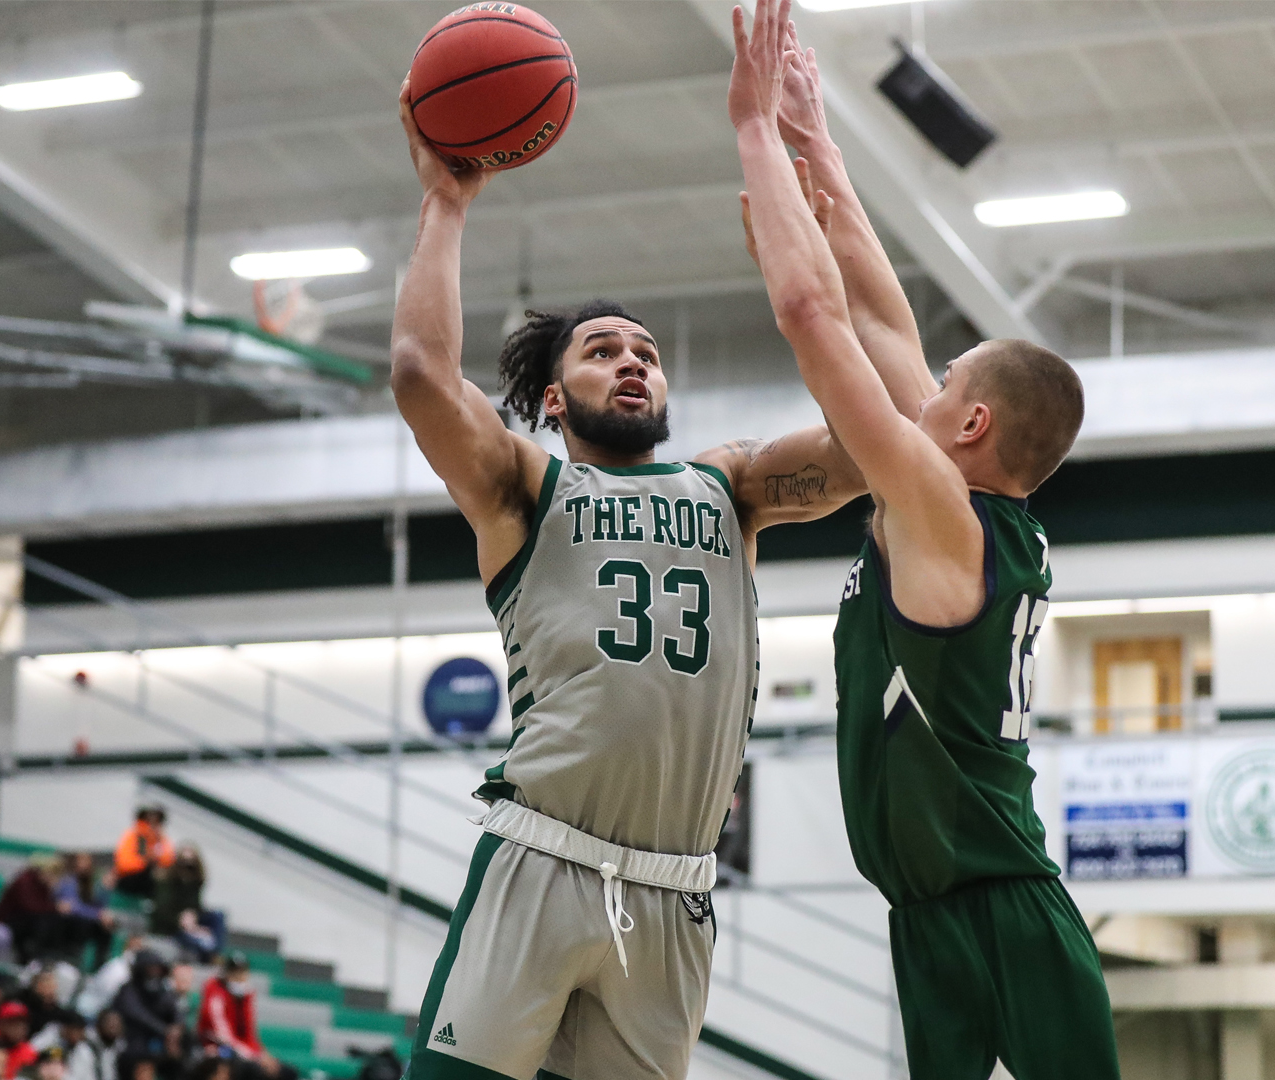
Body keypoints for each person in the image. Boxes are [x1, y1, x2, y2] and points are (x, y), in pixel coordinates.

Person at [390, 37, 871, 1077]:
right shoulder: (529, 487)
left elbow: (875, 446)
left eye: (646, 353)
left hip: (674, 888)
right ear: (556, 397)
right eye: (603, 351)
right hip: (541, 858)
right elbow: (422, 374)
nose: (632, 363)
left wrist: (815, 210)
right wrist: (447, 203)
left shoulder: (731, 485)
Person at [730, 8, 1117, 1078]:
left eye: (949, 388)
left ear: (975, 425)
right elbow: (885, 321)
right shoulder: (963, 504)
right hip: (940, 904)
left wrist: (755, 130)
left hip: (1000, 908)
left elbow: (818, 317)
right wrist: (820, 143)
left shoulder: (942, 512)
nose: (928, 385)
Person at [196, 956, 293, 1080]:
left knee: (287, 1072)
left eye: (242, 972)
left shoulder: (245, 996)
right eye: (235, 973)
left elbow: (249, 1033)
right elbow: (223, 1035)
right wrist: (255, 1056)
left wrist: (263, 1055)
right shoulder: (215, 992)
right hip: (216, 1047)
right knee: (253, 1069)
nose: (239, 977)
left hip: (242, 1050)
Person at [106, 956, 177, 1061]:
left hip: (152, 1041)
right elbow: (136, 1014)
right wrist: (164, 1030)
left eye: (158, 970)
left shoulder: (161, 990)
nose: (154, 973)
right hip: (127, 1039)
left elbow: (173, 1009)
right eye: (151, 969)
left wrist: (176, 1027)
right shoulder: (128, 989)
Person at [0, 860, 61, 966]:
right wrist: (55, 907)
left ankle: (47, 957)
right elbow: (29, 906)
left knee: (52, 920)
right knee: (41, 921)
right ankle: (29, 959)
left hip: (24, 923)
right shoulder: (23, 880)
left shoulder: (43, 885)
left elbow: (42, 906)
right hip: (5, 921)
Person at [50, 855, 114, 971]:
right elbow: (70, 906)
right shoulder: (68, 881)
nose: (84, 865)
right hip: (70, 922)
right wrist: (97, 914)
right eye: (81, 861)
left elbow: (99, 906)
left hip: (87, 920)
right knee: (78, 923)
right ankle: (70, 959)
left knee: (105, 929)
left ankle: (99, 967)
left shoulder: (93, 884)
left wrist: (105, 890)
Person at [148, 851, 212, 963]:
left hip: (189, 926)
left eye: (191, 867)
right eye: (184, 865)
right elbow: (162, 912)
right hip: (171, 928)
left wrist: (193, 917)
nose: (187, 870)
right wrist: (180, 920)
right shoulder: (167, 884)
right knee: (196, 945)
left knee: (217, 917)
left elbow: (196, 907)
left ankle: (214, 954)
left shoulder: (195, 885)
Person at [109, 812, 171, 901]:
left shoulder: (161, 839)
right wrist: (145, 861)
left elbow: (168, 860)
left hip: (150, 885)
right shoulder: (133, 836)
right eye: (150, 821)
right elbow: (124, 863)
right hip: (129, 882)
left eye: (157, 822)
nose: (153, 826)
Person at [63, 1012, 118, 1080]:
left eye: (78, 1030)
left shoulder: (87, 1049)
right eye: (72, 1029)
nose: (75, 1034)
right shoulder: (80, 1049)